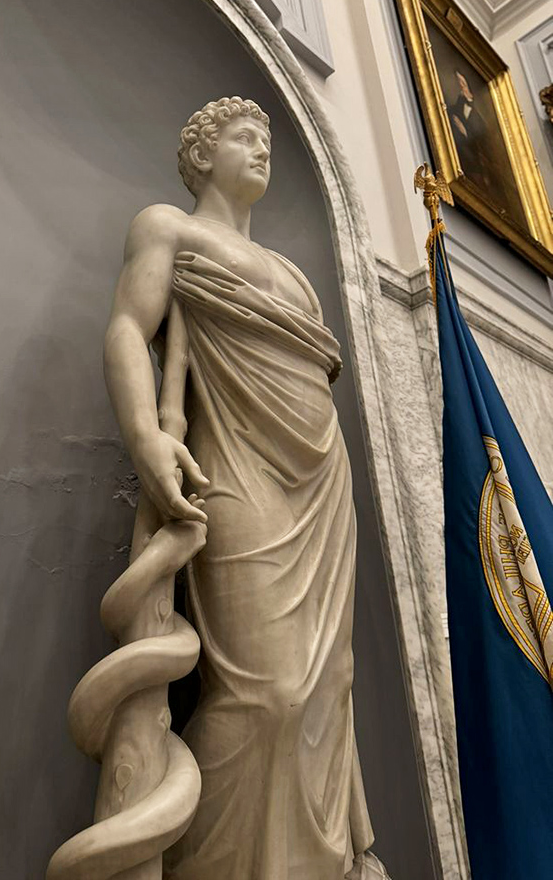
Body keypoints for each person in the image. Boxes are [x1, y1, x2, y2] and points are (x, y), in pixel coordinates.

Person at [103, 97, 386, 880]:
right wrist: (146, 435)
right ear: (201, 155)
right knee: (270, 692)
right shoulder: (167, 228)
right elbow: (127, 328)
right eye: (242, 135)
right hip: (234, 473)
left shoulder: (295, 276)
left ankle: (320, 862)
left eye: (267, 136)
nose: (262, 146)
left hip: (321, 486)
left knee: (328, 684)